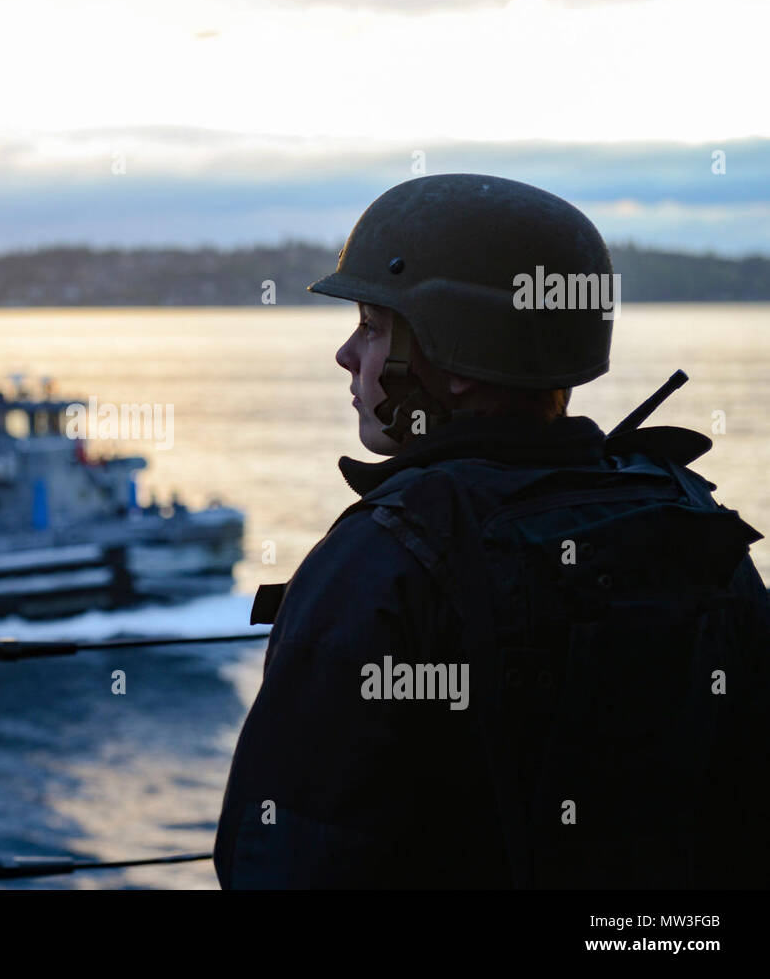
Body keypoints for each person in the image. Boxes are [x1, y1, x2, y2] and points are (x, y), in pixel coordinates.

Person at [214, 173, 770, 889]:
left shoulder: (384, 559)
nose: (348, 356)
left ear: (458, 361)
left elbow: (281, 863)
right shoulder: (696, 525)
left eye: (374, 327)